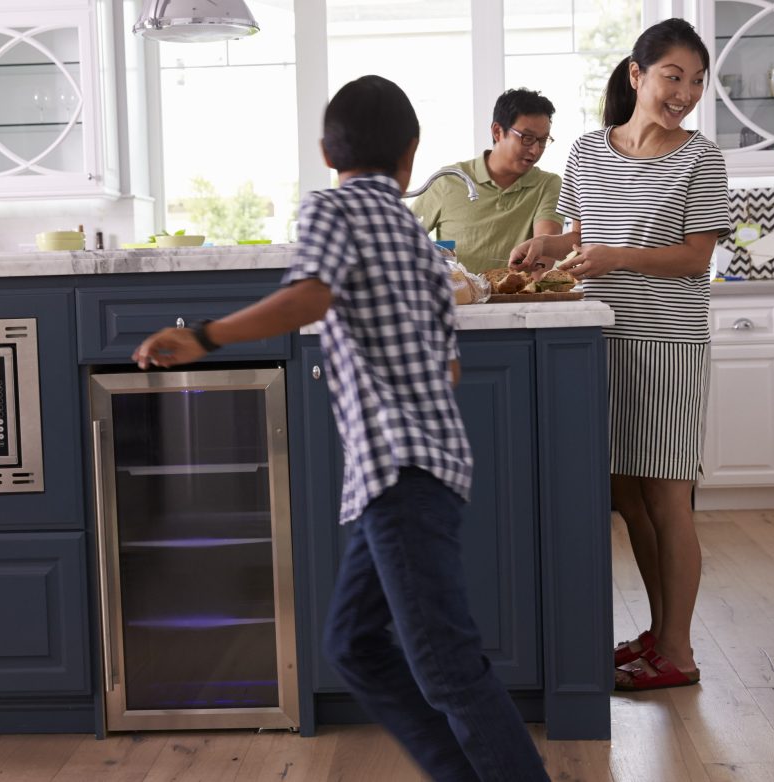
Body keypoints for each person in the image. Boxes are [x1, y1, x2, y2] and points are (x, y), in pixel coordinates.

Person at [132, 75, 550, 782]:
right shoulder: (424, 249)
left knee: (448, 670)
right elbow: (446, 372)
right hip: (422, 473)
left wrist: (204, 336)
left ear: (328, 151)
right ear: (411, 158)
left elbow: (311, 296)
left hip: (397, 472)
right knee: (353, 644)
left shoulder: (331, 209)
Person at [509, 19, 730, 691]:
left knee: (668, 497)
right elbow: (584, 236)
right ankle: (660, 635)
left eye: (695, 81)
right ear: (636, 75)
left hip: (666, 340)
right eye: (673, 77)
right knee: (626, 495)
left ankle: (680, 654)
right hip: (599, 336)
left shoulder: (702, 157)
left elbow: (696, 256)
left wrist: (614, 257)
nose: (685, 93)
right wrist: (548, 249)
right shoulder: (586, 151)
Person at [411, 88, 564, 274]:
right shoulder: (448, 180)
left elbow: (545, 249)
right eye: (527, 138)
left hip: (519, 299)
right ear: (498, 131)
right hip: (461, 300)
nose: (535, 150)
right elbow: (404, 240)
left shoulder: (547, 184)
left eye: (542, 140)